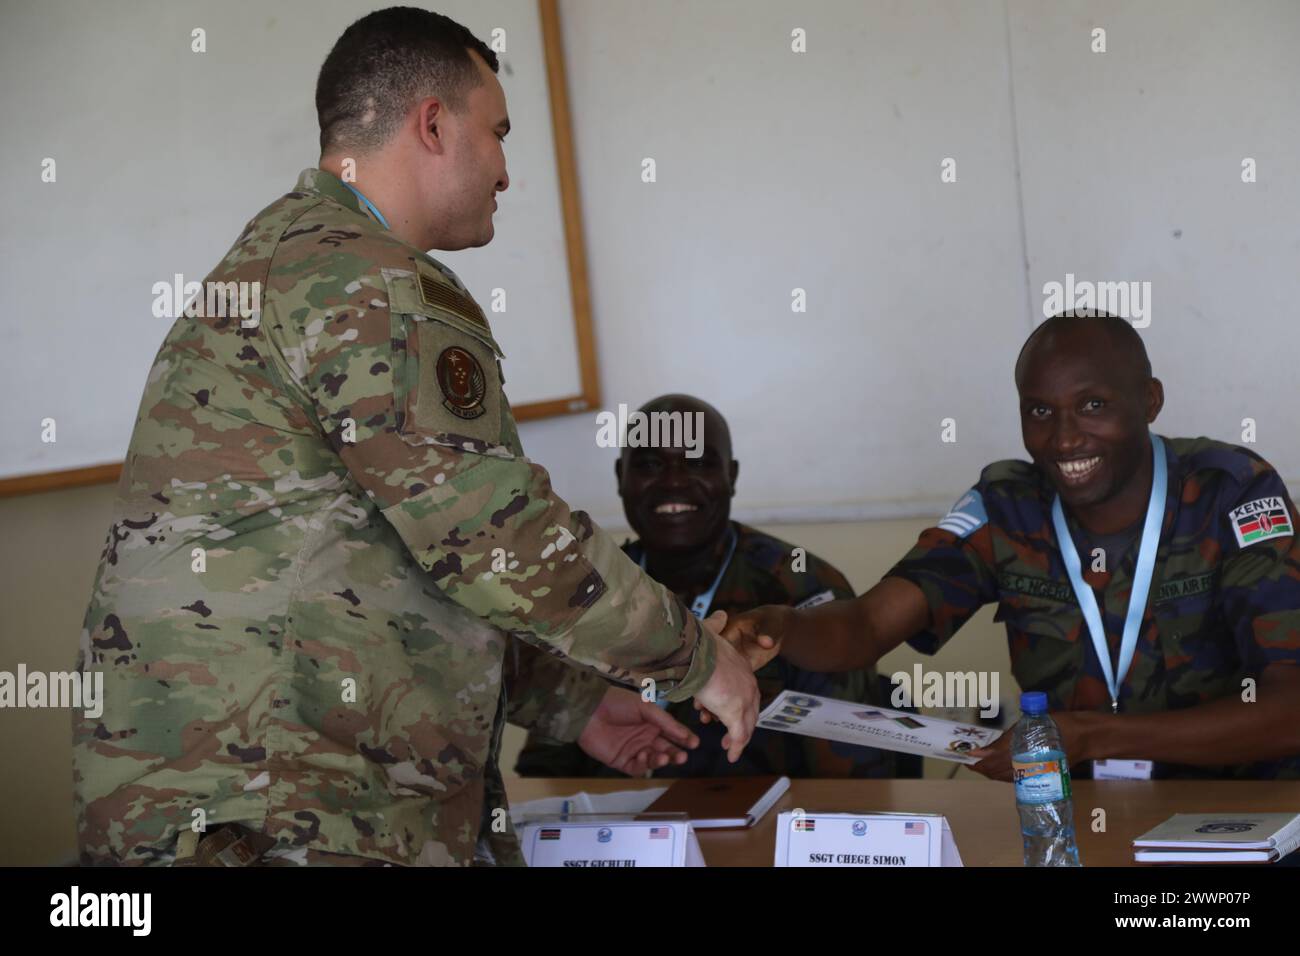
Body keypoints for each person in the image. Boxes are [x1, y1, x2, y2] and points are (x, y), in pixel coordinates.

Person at [73, 7, 758, 868]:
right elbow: (493, 538)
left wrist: (574, 703)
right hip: (289, 809)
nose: (507, 168)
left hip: (232, 796)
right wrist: (699, 660)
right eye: (499, 132)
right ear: (433, 124)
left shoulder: (284, 257)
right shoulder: (375, 283)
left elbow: (380, 562)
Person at [723, 312, 1300, 781]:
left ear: (1149, 401)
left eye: (1093, 405)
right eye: (1040, 411)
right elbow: (867, 626)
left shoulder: (1232, 492)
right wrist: (780, 627)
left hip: (1240, 815)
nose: (1065, 437)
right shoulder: (1005, 506)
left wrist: (1093, 735)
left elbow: (1289, 708)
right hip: (1075, 812)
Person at [517, 394, 898, 778]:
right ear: (621, 478)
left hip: (765, 829)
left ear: (731, 476)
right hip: (612, 827)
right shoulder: (581, 589)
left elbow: (853, 778)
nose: (674, 482)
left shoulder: (804, 590)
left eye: (698, 463)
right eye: (650, 464)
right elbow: (547, 772)